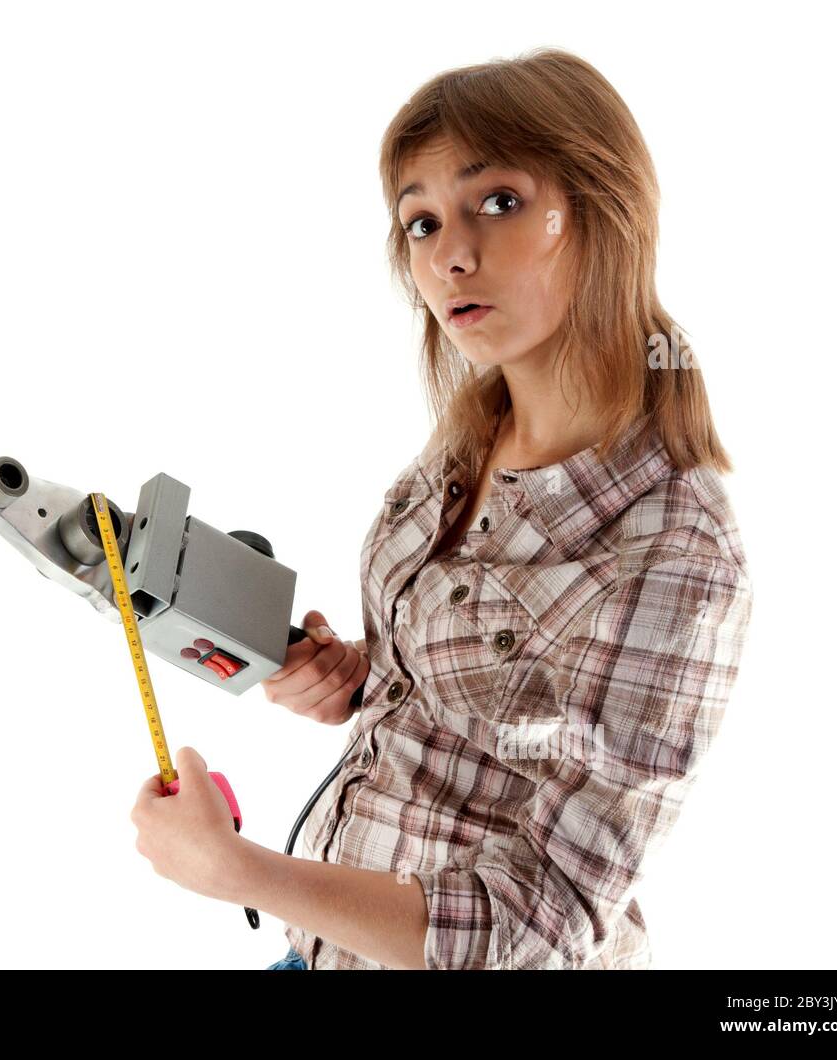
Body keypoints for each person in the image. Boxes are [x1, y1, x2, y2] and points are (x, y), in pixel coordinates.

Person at [129, 47, 754, 970]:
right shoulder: (470, 439)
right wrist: (348, 673)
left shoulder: (678, 551)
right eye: (420, 222)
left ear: (604, 210)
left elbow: (546, 914)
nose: (450, 254)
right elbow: (460, 704)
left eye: (496, 202)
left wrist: (243, 874)